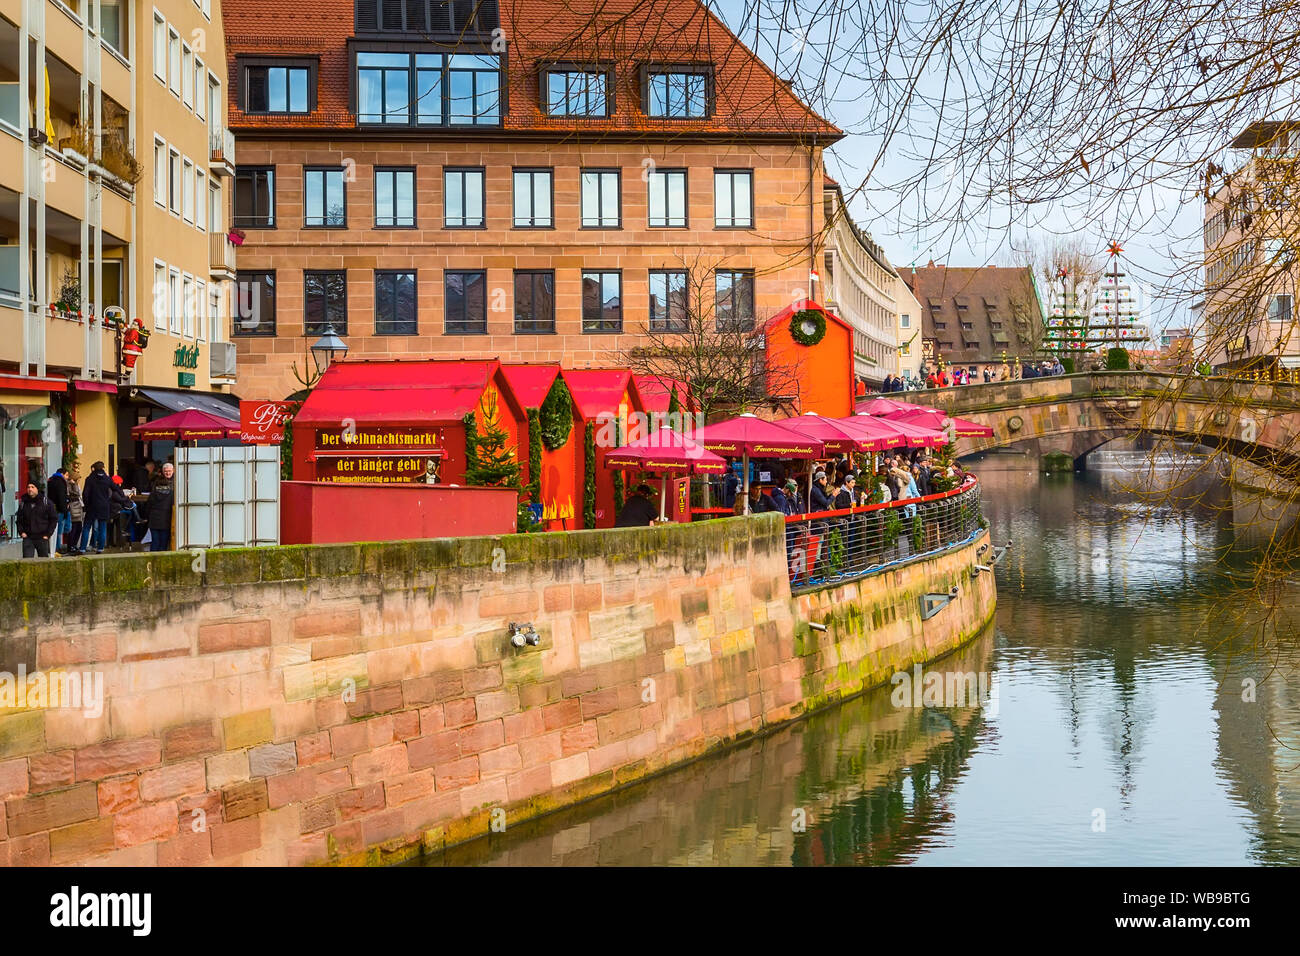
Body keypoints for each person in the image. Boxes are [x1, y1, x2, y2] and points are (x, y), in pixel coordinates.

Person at [17, 481, 58, 558]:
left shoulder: (46, 502)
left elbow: (53, 519)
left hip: (42, 537)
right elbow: (19, 519)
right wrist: (21, 532)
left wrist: (48, 534)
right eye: (28, 487)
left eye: (32, 487)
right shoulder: (23, 503)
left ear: (37, 489)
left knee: (43, 562)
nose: (30, 489)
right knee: (27, 562)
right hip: (28, 537)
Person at [80, 461, 113, 554]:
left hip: (92, 506)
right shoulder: (107, 479)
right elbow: (115, 489)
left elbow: (85, 494)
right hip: (104, 506)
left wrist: (86, 505)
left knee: (86, 527)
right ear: (103, 468)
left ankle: (82, 548)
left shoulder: (90, 479)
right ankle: (100, 548)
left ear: (94, 468)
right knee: (102, 527)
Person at [145, 461, 176, 551]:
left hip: (155, 518)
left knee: (155, 542)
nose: (168, 473)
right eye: (166, 471)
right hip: (167, 518)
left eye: (169, 471)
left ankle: (152, 562)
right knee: (163, 543)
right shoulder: (174, 487)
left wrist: (147, 515)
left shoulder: (155, 486)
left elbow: (149, 503)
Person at [47, 467, 69, 555]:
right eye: (66, 475)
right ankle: (57, 548)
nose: (67, 477)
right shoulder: (61, 482)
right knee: (59, 531)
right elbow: (61, 498)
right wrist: (65, 511)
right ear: (62, 474)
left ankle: (54, 548)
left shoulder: (51, 480)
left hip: (51, 508)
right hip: (59, 510)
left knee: (54, 530)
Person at [64, 465, 85, 556]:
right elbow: (76, 494)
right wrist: (74, 484)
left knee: (78, 528)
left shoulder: (74, 484)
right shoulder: (70, 484)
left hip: (78, 507)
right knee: (74, 528)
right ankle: (71, 545)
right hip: (74, 507)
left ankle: (74, 544)